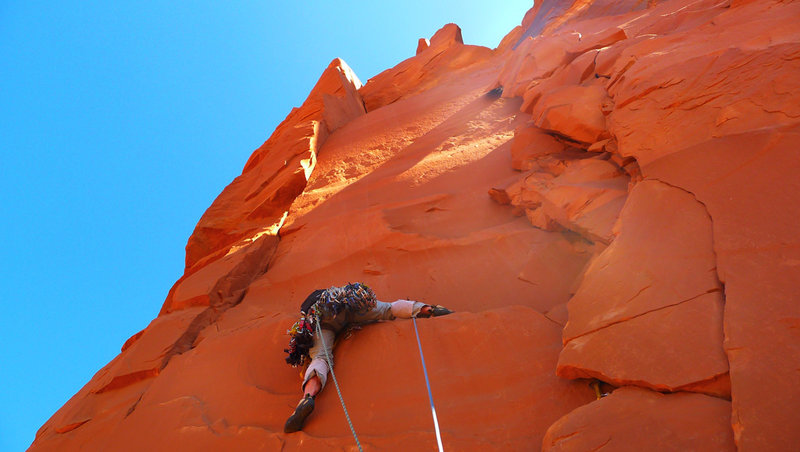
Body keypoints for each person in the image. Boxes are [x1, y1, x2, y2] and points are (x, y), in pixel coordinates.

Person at [283, 282, 453, 433]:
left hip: (322, 321)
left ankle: (307, 398)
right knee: (388, 309)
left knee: (320, 358)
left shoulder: (310, 305)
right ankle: (428, 309)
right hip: (349, 307)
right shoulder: (338, 293)